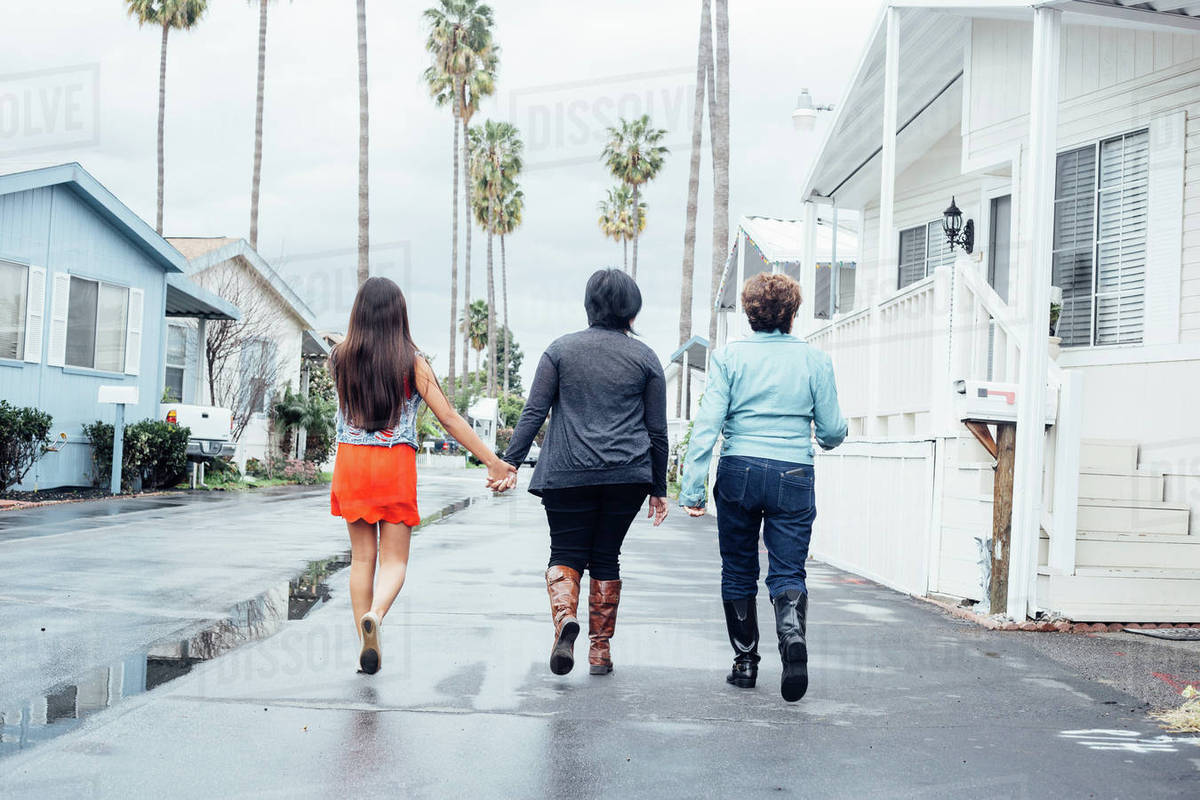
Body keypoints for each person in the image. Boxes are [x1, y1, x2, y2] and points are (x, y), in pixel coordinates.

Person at [329, 276, 516, 675]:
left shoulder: (339, 357)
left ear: (358, 313)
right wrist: (493, 461)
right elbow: (448, 417)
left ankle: (364, 638)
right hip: (394, 463)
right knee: (394, 560)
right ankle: (376, 617)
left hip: (351, 463)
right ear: (399, 315)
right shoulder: (413, 362)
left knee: (363, 558)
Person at [679, 272, 846, 702]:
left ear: (751, 314)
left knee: (738, 569)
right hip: (793, 473)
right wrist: (828, 433)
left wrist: (692, 489)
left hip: (739, 471)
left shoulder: (729, 358)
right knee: (788, 570)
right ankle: (791, 636)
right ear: (791, 314)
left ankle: (746, 663)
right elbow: (830, 431)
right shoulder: (815, 360)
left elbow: (707, 426)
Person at [504, 269, 669, 677]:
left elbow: (533, 412)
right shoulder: (645, 357)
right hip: (626, 474)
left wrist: (510, 461)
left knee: (565, 553)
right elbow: (657, 431)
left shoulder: (560, 350)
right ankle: (600, 651)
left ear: (589, 305)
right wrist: (659, 487)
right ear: (632, 308)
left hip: (565, 472)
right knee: (606, 556)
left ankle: (565, 622)